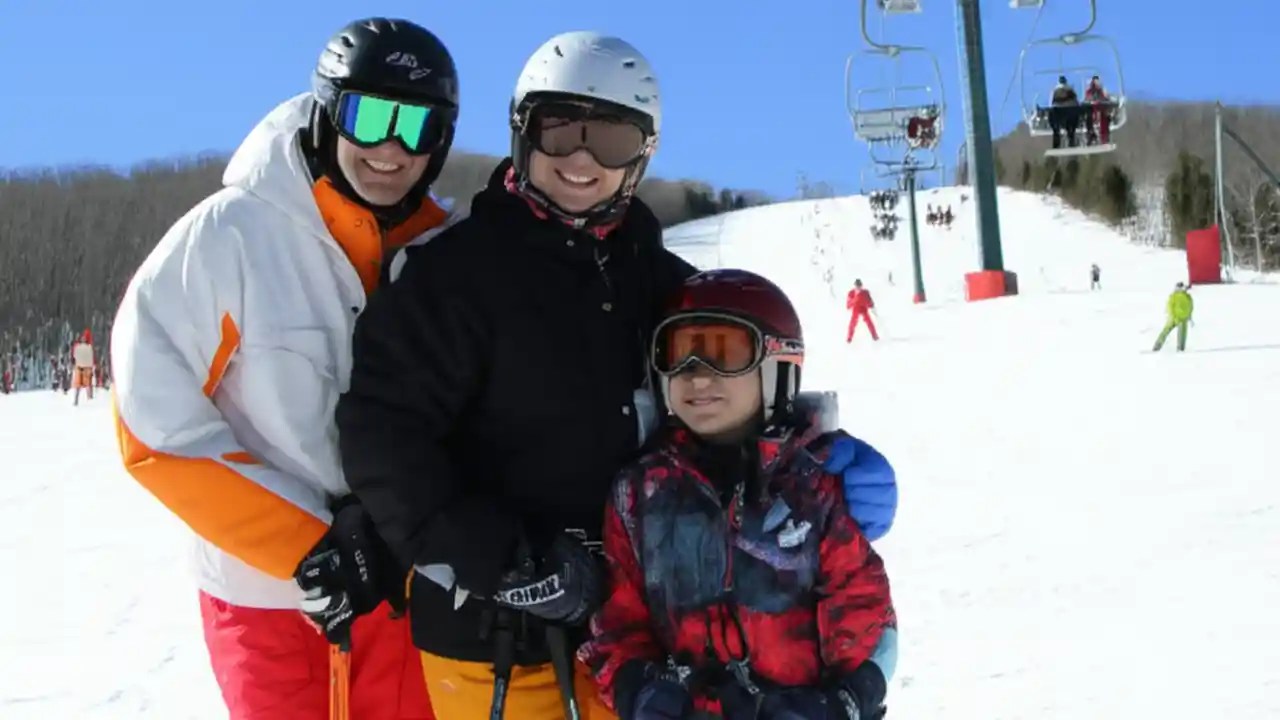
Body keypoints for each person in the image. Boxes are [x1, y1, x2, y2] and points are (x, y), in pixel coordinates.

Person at [336, 30, 899, 720]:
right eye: (559, 130)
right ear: (522, 132)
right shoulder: (451, 278)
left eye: (610, 140)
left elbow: (740, 388)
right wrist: (507, 561)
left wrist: (820, 456)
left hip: (656, 646)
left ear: (643, 154)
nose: (581, 157)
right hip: (499, 642)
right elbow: (382, 435)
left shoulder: (664, 284)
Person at [109, 17, 460, 719]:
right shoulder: (231, 235)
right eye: (369, 115)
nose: (391, 146)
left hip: (411, 596)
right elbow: (151, 424)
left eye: (417, 126)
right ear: (329, 113)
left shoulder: (446, 257)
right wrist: (310, 544)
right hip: (271, 603)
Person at [581, 269, 896, 720]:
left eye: (724, 355)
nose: (698, 378)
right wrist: (639, 688)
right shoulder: (640, 491)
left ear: (778, 365)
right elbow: (619, 616)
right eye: (680, 356)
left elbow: (860, 600)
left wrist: (845, 699)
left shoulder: (815, 483)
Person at [1152, 282, 1193, 352]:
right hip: (1173, 318)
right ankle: (1157, 346)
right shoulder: (1174, 296)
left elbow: (1190, 307)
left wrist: (1189, 316)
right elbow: (1170, 307)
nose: (1185, 289)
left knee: (1182, 334)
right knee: (1165, 331)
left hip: (1183, 318)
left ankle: (1181, 348)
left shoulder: (1188, 296)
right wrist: (1173, 315)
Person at [1048, 76, 1080, 150]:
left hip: (1058, 111)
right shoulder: (1070, 89)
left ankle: (1056, 145)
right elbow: (1076, 101)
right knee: (1071, 129)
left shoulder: (1055, 90)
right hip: (1070, 110)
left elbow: (1051, 103)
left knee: (1056, 129)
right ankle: (1071, 142)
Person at [846, 279, 879, 343]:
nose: (858, 287)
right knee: (852, 323)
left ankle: (874, 336)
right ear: (855, 286)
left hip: (864, 309)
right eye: (857, 286)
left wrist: (871, 305)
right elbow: (848, 304)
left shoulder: (865, 292)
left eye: (859, 286)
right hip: (856, 309)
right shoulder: (851, 293)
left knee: (869, 322)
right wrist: (854, 301)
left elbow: (870, 301)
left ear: (861, 286)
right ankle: (849, 338)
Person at [1083, 75, 1111, 146]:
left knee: (1104, 120)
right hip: (1092, 110)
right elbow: (1088, 98)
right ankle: (1091, 136)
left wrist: (1104, 98)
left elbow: (1106, 97)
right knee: (1090, 119)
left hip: (1101, 109)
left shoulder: (1101, 90)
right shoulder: (1089, 91)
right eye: (1094, 81)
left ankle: (1104, 138)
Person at [71, 329, 95, 406]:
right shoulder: (90, 347)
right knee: (88, 385)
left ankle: (76, 401)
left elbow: (74, 356)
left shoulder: (77, 347)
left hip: (79, 367)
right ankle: (90, 400)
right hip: (88, 368)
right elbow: (92, 358)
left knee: (77, 386)